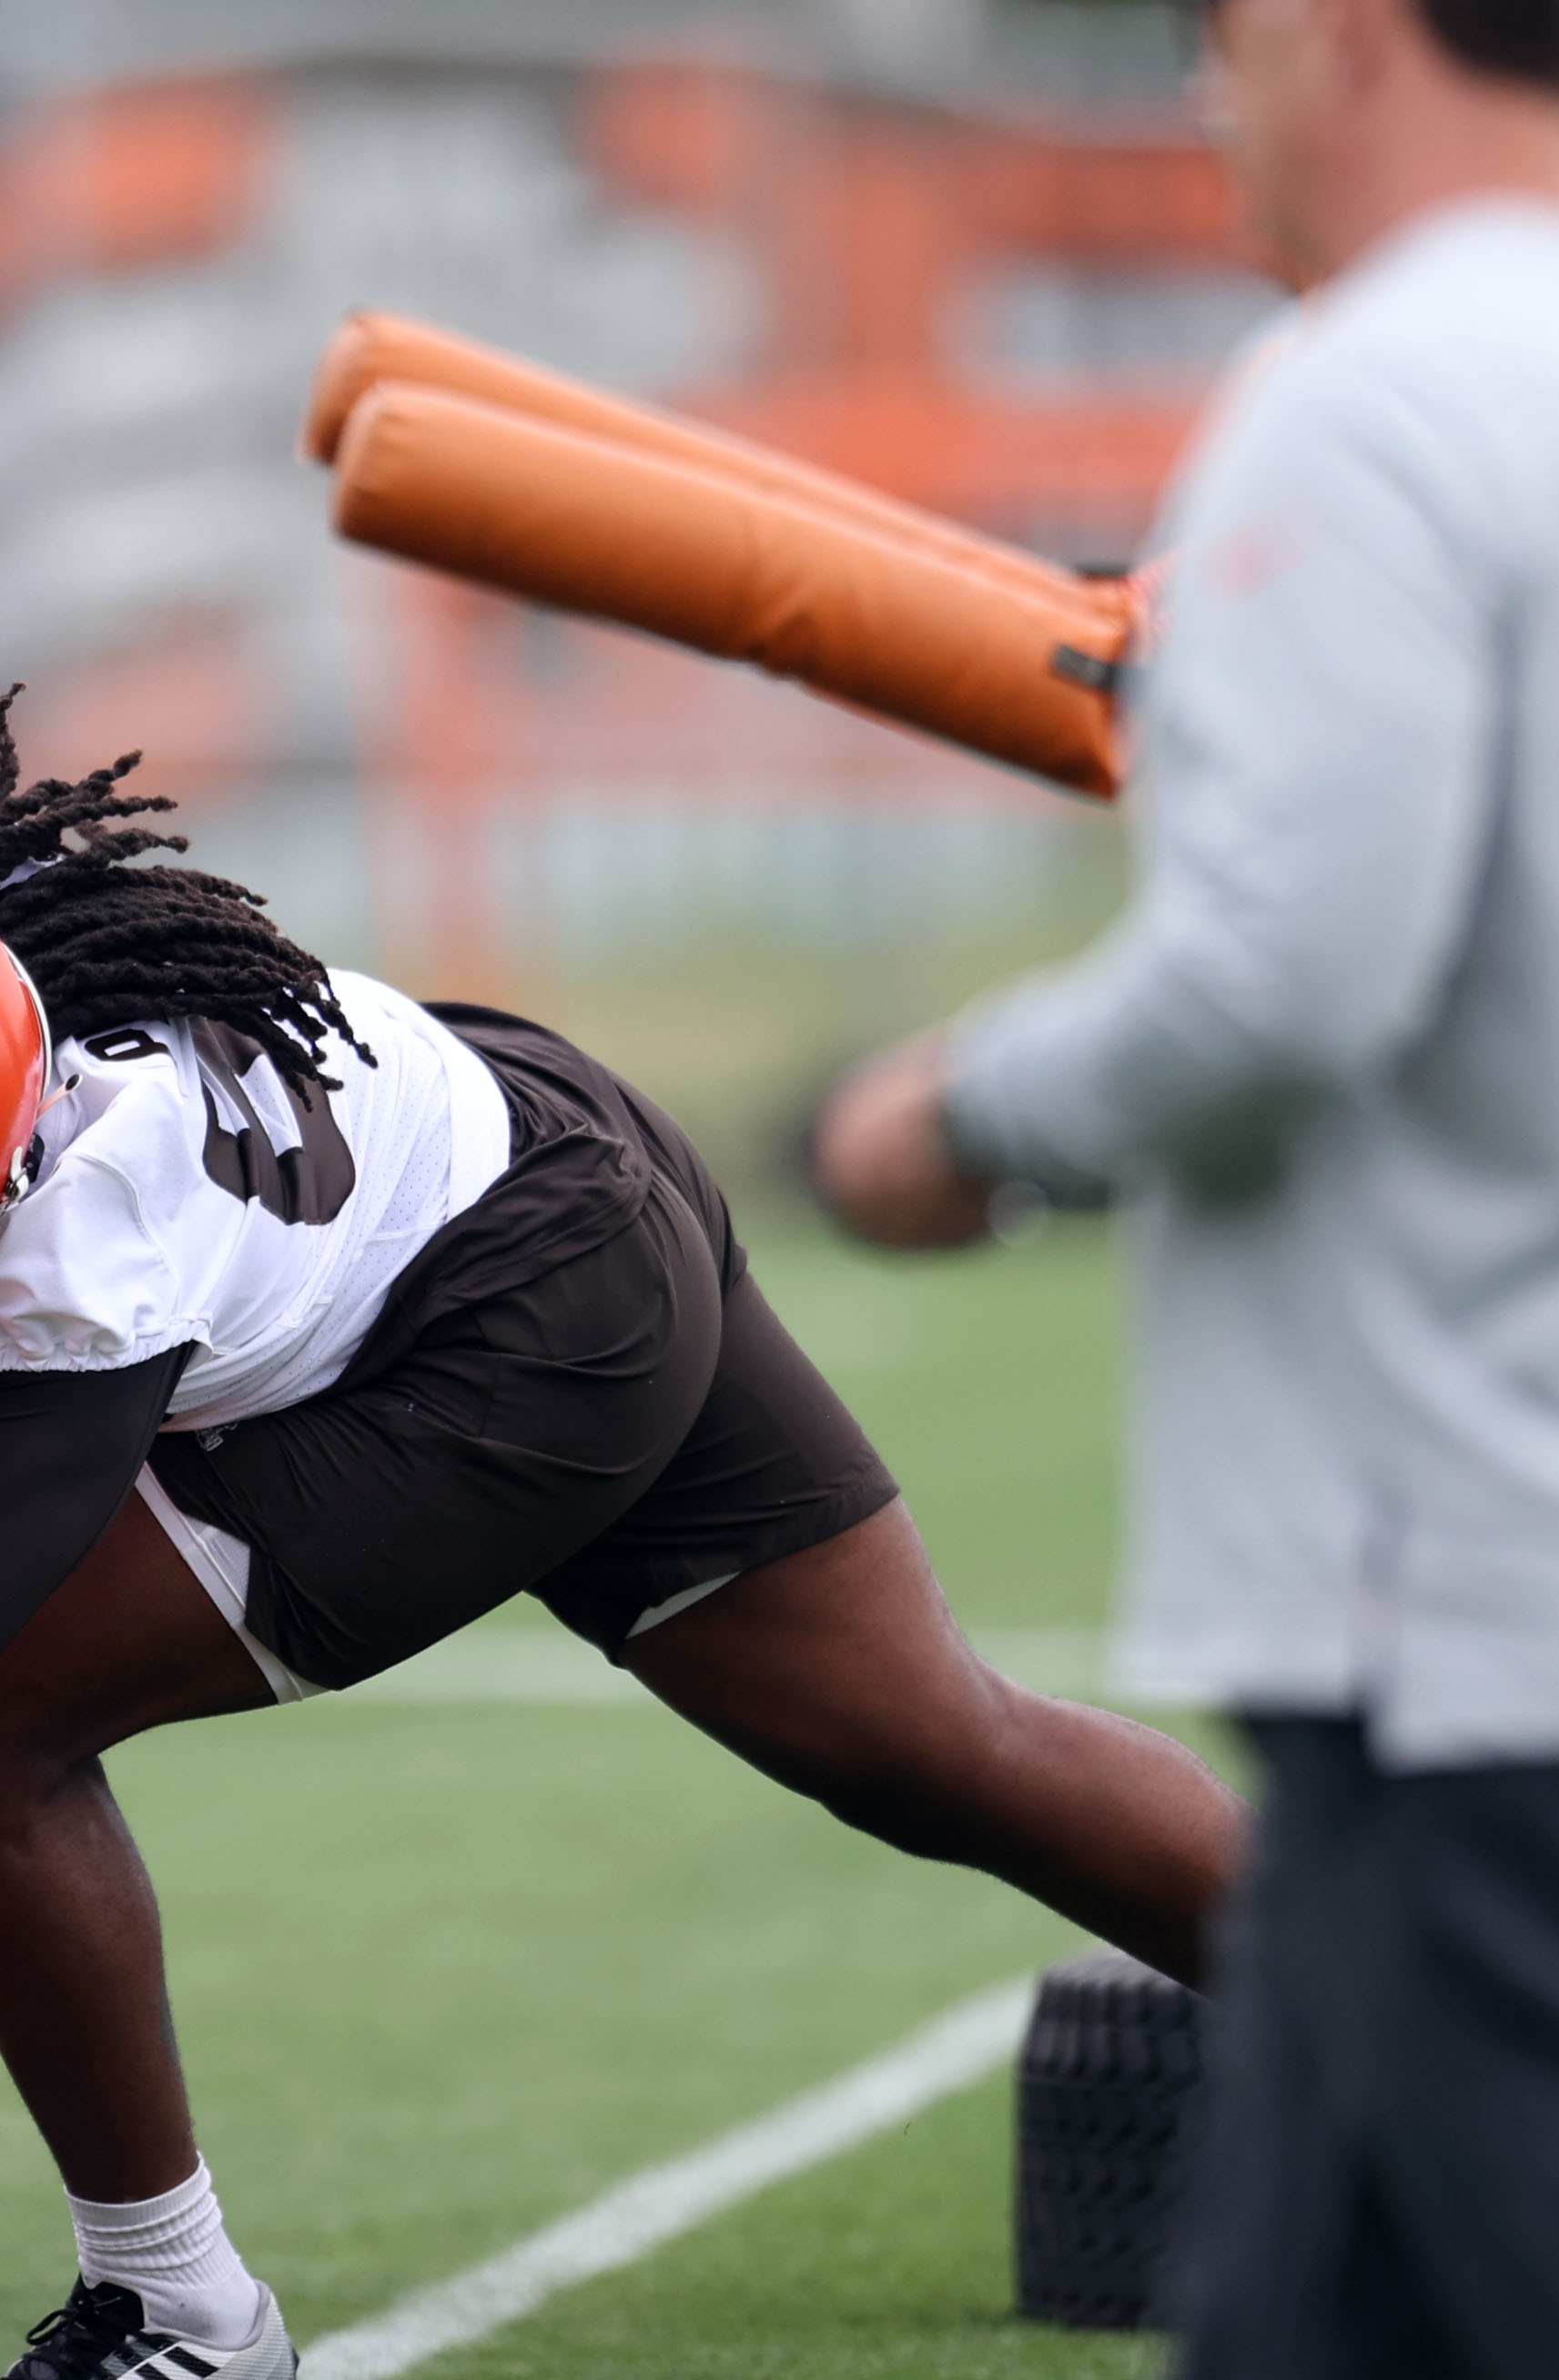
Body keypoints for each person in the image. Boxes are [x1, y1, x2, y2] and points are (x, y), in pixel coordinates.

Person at [0, 613, 1248, 2380]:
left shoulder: (97, 1217)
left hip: (493, 1345)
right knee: (934, 1744)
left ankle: (180, 2309)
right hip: (511, 1127)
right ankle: (1412, 2016)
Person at [813, 0, 1559, 2369]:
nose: (1200, 104)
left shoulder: (1363, 395)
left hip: (1459, 1620)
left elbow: (1282, 974)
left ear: (1340, 34)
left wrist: (959, 1117)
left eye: (1216, 41)